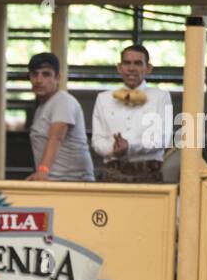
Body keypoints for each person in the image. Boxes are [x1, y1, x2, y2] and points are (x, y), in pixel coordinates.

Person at [90, 44, 173, 183]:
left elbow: (162, 139)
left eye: (138, 63)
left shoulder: (161, 96)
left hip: (150, 171)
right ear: (119, 68)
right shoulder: (104, 98)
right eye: (127, 63)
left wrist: (130, 147)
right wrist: (114, 149)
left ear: (148, 68)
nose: (132, 68)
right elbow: (97, 140)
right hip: (112, 170)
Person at [25, 52, 93, 182]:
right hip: (54, 180)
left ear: (58, 77)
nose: (39, 80)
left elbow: (56, 138)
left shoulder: (63, 100)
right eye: (34, 74)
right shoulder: (42, 107)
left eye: (46, 74)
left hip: (73, 182)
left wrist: (42, 171)